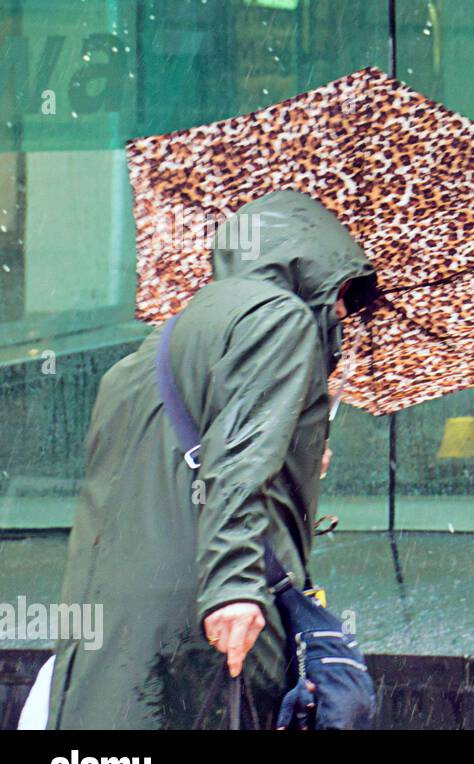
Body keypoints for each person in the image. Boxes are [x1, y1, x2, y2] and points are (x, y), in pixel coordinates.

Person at [48, 190, 377, 729]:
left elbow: (163, 473)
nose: (343, 312)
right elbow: (237, 465)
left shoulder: (159, 344)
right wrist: (234, 588)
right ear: (310, 263)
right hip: (209, 616)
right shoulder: (280, 318)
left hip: (118, 616)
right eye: (344, 292)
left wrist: (295, 451)